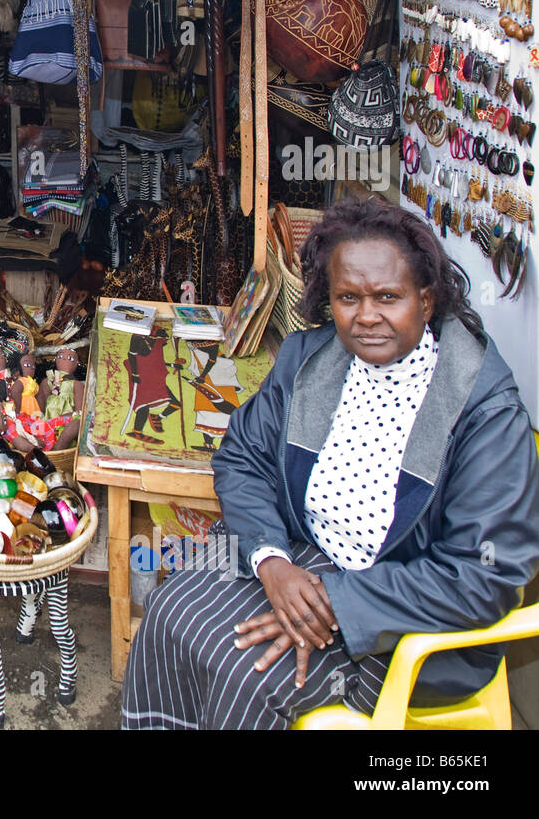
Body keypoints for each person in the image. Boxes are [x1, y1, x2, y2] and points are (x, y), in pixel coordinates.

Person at [122, 198, 539, 729]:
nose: (366, 316)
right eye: (348, 298)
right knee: (166, 612)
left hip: (401, 614)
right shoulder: (310, 360)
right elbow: (243, 457)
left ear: (427, 300)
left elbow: (486, 575)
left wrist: (335, 603)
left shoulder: (483, 411)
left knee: (247, 673)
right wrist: (271, 561)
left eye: (388, 297)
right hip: (301, 556)